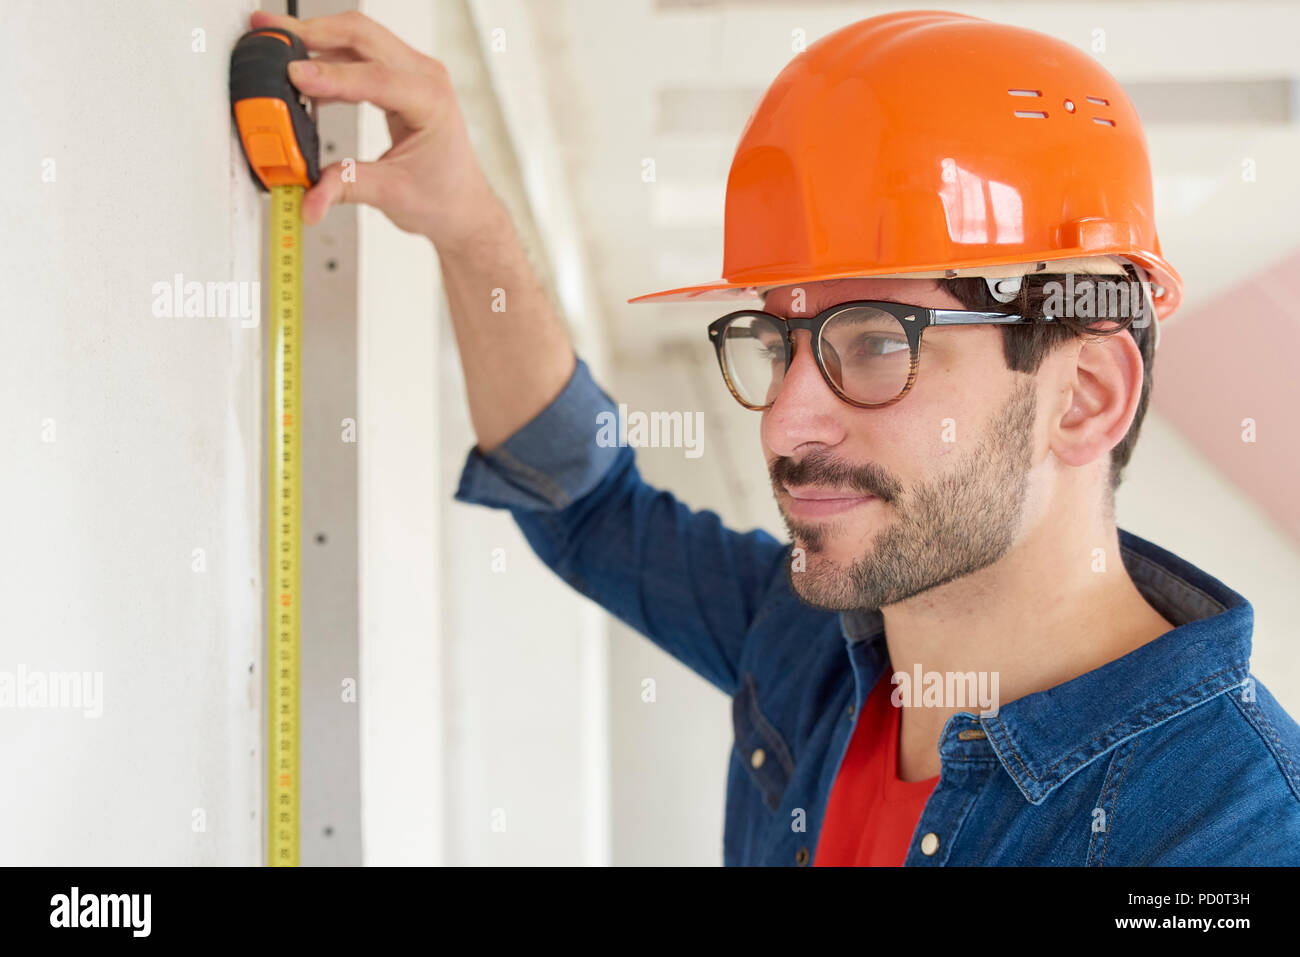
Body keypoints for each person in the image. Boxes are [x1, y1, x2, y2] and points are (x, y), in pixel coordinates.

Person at [249, 7, 1300, 865]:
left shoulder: (1228, 837)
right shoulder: (808, 641)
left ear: (1083, 396)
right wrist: (466, 217)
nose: (787, 421)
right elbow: (584, 504)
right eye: (776, 338)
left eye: (875, 343)